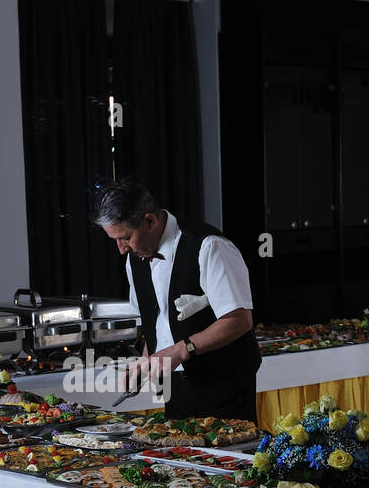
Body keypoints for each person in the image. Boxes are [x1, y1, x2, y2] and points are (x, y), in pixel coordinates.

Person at [93, 178, 261, 423]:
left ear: (149, 221)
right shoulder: (135, 260)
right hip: (175, 389)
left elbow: (239, 320)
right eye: (115, 240)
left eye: (126, 237)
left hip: (224, 384)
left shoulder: (209, 246)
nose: (121, 249)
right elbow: (158, 321)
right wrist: (145, 362)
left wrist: (182, 350)